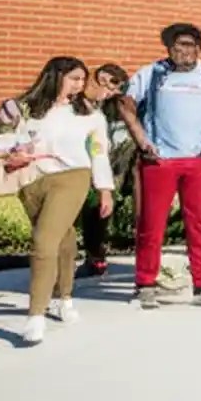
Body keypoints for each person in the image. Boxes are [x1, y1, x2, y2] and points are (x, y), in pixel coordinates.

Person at [0, 57, 115, 345]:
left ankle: (35, 316)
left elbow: (99, 152)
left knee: (43, 240)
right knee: (63, 239)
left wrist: (104, 188)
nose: (79, 85)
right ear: (55, 77)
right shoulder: (23, 107)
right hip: (30, 179)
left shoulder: (89, 114)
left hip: (73, 176)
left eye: (81, 79)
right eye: (74, 78)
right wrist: (12, 151)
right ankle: (63, 297)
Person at [120, 22, 201, 309]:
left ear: (199, 48)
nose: (185, 51)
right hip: (160, 160)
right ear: (169, 48)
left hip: (199, 161)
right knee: (152, 224)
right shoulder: (152, 73)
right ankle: (145, 283)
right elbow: (125, 105)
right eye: (179, 45)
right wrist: (142, 140)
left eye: (191, 45)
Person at [77, 63, 131, 278]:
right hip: (76, 167)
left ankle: (95, 258)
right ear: (101, 78)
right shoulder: (75, 106)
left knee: (97, 214)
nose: (108, 95)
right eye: (108, 89)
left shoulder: (100, 109)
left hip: (96, 168)